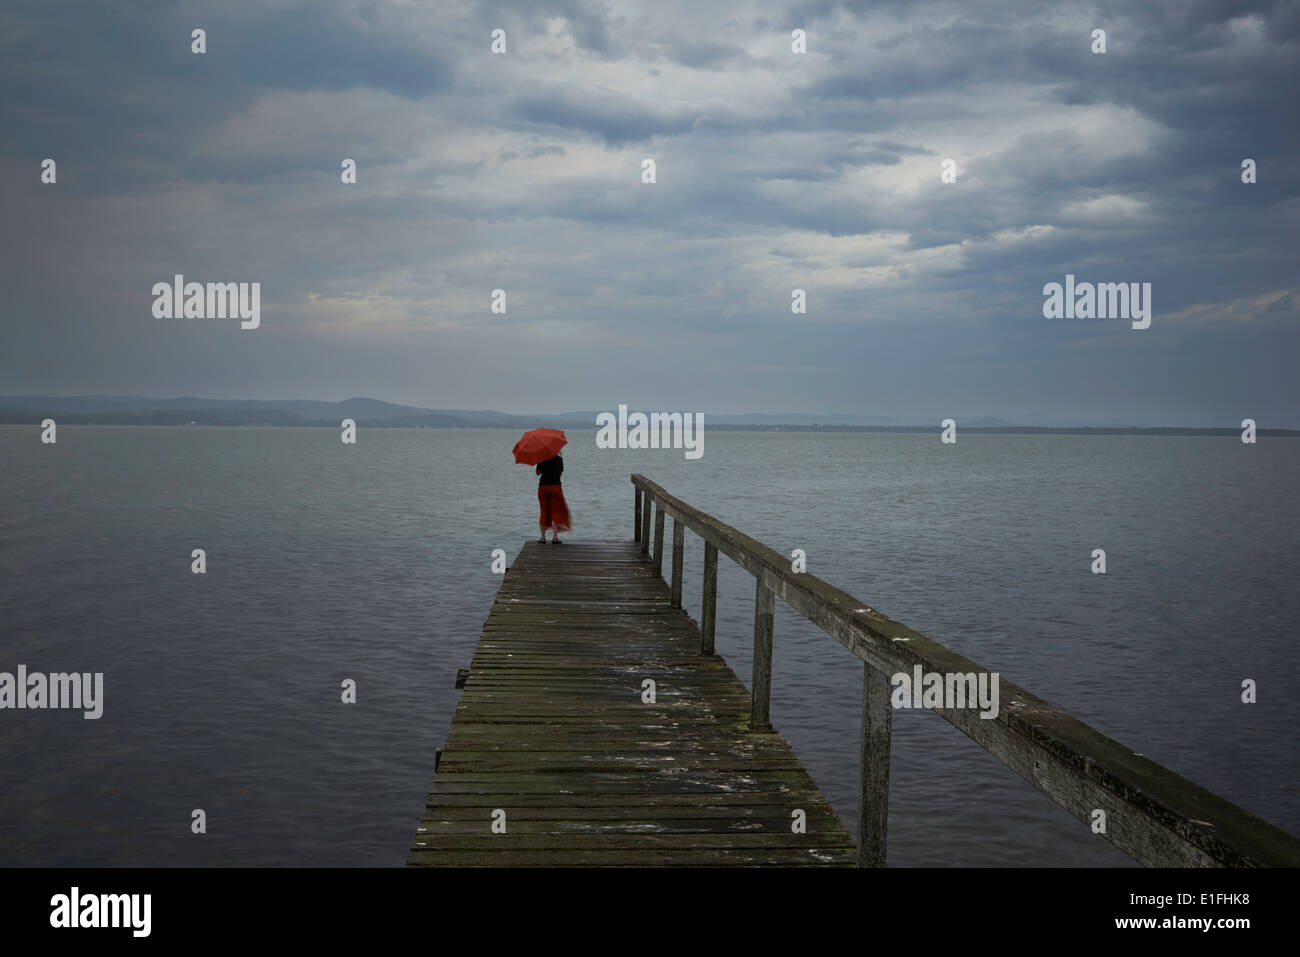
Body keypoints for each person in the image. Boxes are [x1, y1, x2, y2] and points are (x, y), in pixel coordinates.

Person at [535, 454, 571, 544]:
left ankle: (542, 537)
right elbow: (560, 473)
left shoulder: (541, 458)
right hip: (555, 486)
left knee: (543, 512)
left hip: (543, 487)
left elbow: (538, 472)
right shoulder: (559, 459)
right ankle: (555, 537)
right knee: (556, 512)